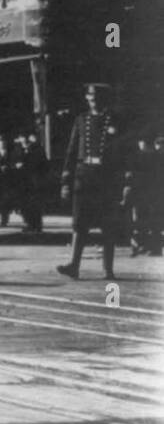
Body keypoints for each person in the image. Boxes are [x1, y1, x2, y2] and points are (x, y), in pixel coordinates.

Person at [58, 84, 128, 281]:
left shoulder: (115, 120)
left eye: (97, 96)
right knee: (79, 224)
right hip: (84, 175)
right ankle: (74, 265)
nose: (93, 99)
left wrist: (124, 180)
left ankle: (108, 269)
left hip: (106, 177)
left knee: (108, 225)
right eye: (90, 96)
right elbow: (71, 152)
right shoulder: (81, 120)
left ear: (105, 99)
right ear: (86, 98)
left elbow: (123, 152)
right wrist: (65, 180)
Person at [13, 132, 48, 233]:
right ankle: (27, 223)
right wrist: (16, 165)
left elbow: (44, 166)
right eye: (22, 138)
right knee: (24, 204)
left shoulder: (38, 150)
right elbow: (12, 162)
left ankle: (37, 224)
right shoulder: (17, 150)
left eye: (25, 139)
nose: (24, 141)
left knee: (35, 204)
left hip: (35, 182)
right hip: (22, 182)